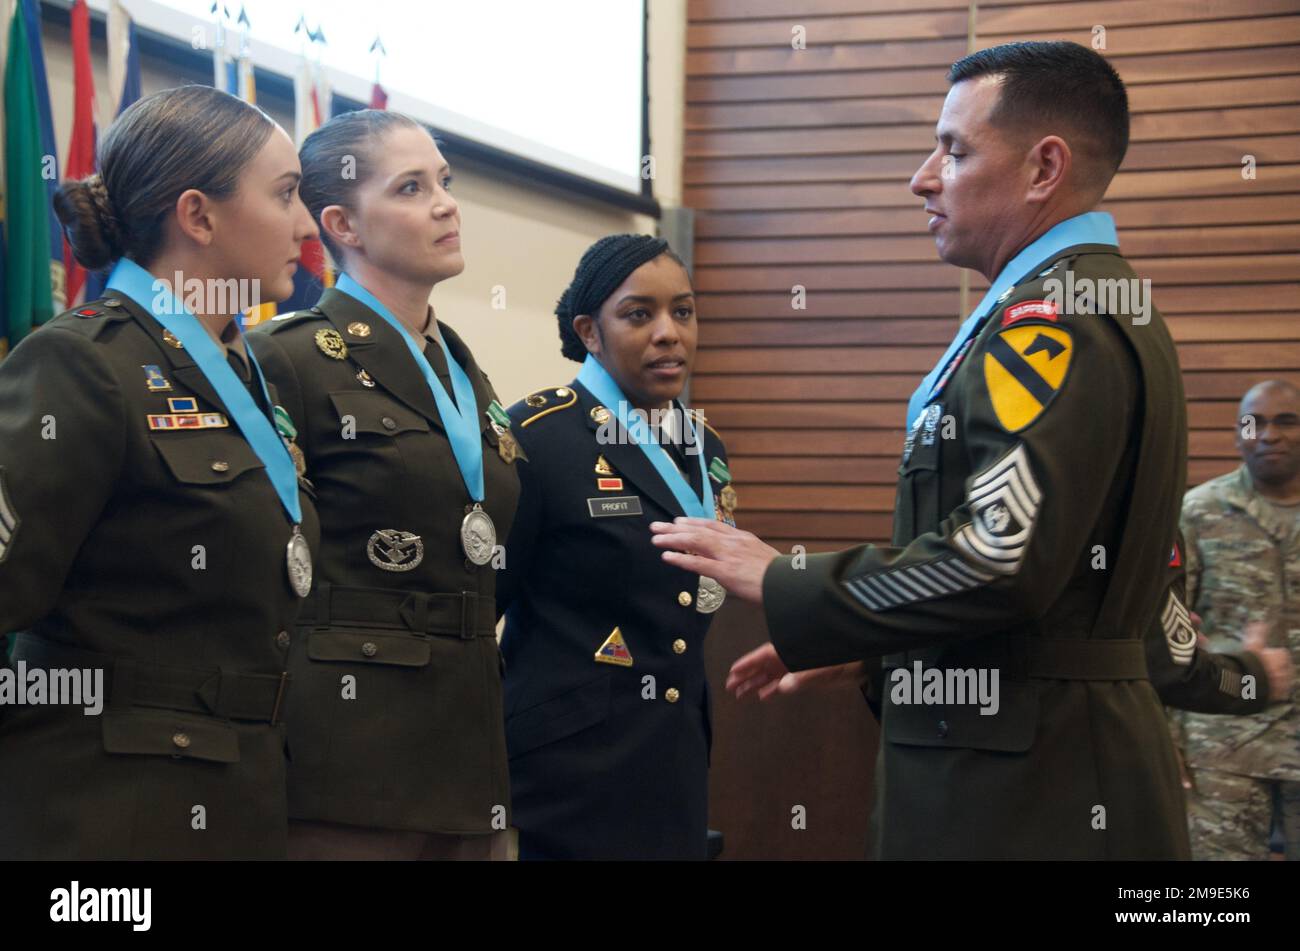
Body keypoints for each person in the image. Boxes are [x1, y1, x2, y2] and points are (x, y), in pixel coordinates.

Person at [652, 41, 1216, 859]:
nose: (923, 176)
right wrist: (874, 646)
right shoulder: (1090, 299)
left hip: (1025, 788)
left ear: (1043, 168)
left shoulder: (1052, 320)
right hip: (1038, 753)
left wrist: (784, 576)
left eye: (953, 150)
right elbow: (1059, 576)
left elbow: (999, 559)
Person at [0, 85, 319, 859]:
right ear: (198, 216)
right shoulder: (84, 361)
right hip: (105, 814)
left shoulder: (248, 379)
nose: (308, 226)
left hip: (237, 800)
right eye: (285, 195)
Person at [248, 110, 518, 860]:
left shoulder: (464, 371)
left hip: (472, 756)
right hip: (349, 761)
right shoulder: (284, 358)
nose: (445, 203)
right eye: (410, 187)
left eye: (445, 181)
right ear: (343, 223)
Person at [497, 234, 734, 860]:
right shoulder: (537, 437)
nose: (668, 333)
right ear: (589, 331)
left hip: (672, 759)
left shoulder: (702, 445)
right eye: (639, 314)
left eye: (682, 311)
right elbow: (485, 604)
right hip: (562, 772)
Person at [1172, 380, 1300, 860]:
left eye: (1285, 421)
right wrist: (1167, 739)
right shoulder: (1199, 511)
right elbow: (1168, 631)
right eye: (1254, 423)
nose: (1268, 435)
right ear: (1237, 436)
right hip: (1221, 745)